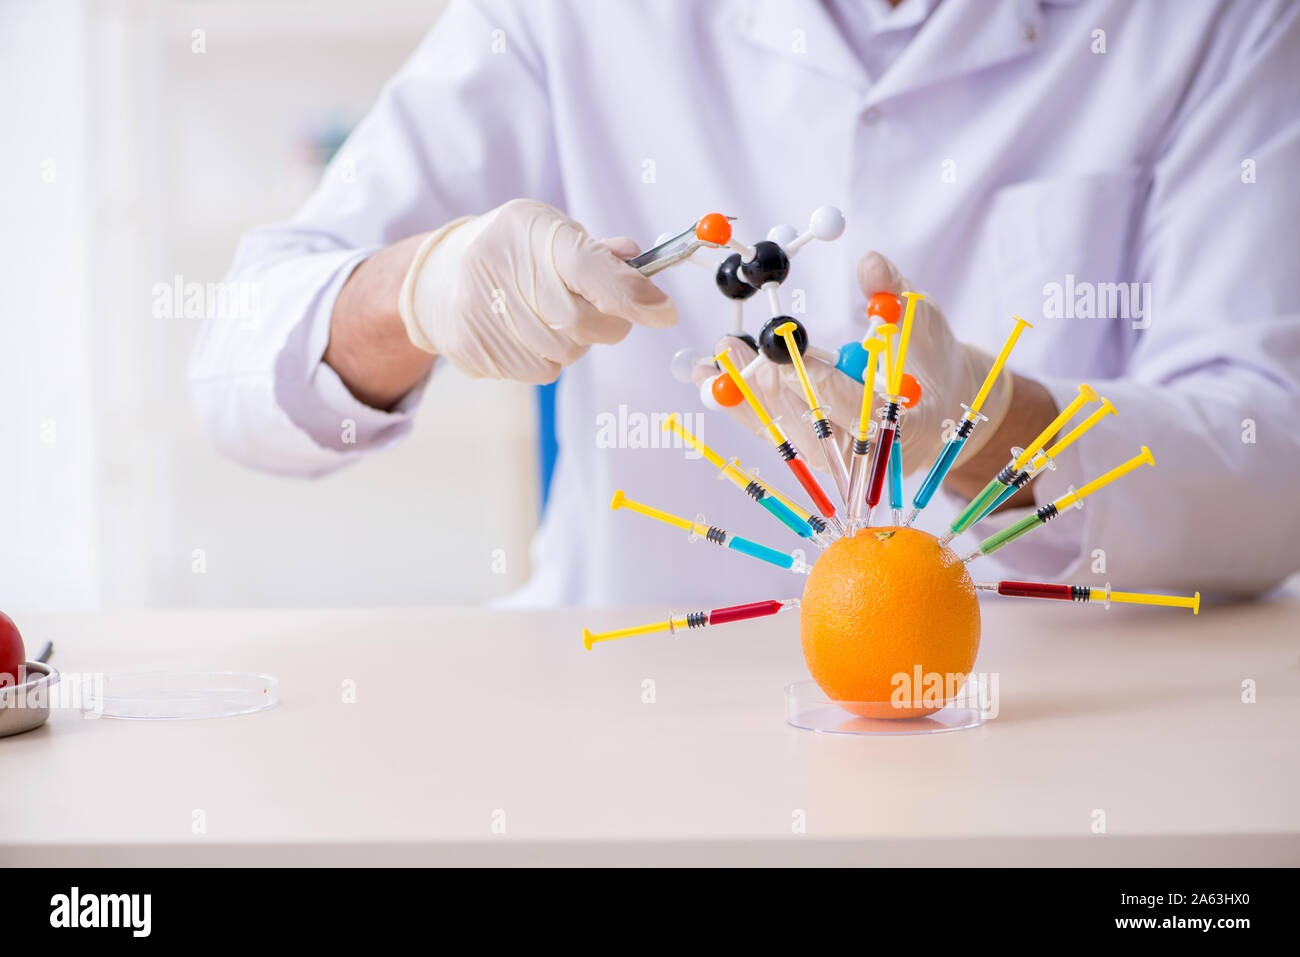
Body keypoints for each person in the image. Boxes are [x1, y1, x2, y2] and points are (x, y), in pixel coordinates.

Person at [191, 0, 1300, 606]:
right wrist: (417, 290)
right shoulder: (565, 18)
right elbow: (239, 378)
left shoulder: (1218, 22)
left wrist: (997, 423)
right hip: (631, 721)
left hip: (1060, 734)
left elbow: (1273, 470)